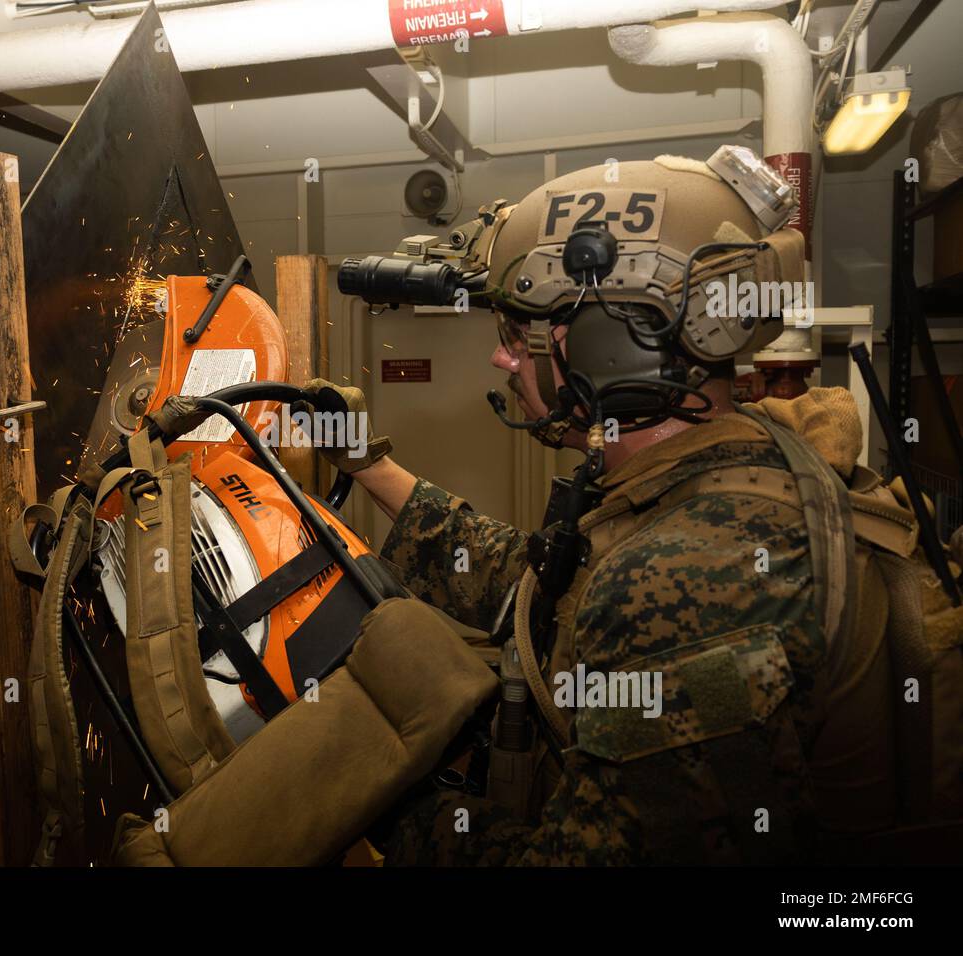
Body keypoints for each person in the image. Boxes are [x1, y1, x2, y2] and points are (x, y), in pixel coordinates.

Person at [318, 147, 963, 864]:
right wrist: (366, 464)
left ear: (609, 347)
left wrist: (388, 806)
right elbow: (540, 583)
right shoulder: (735, 462)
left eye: (514, 334)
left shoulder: (689, 574)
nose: (503, 360)